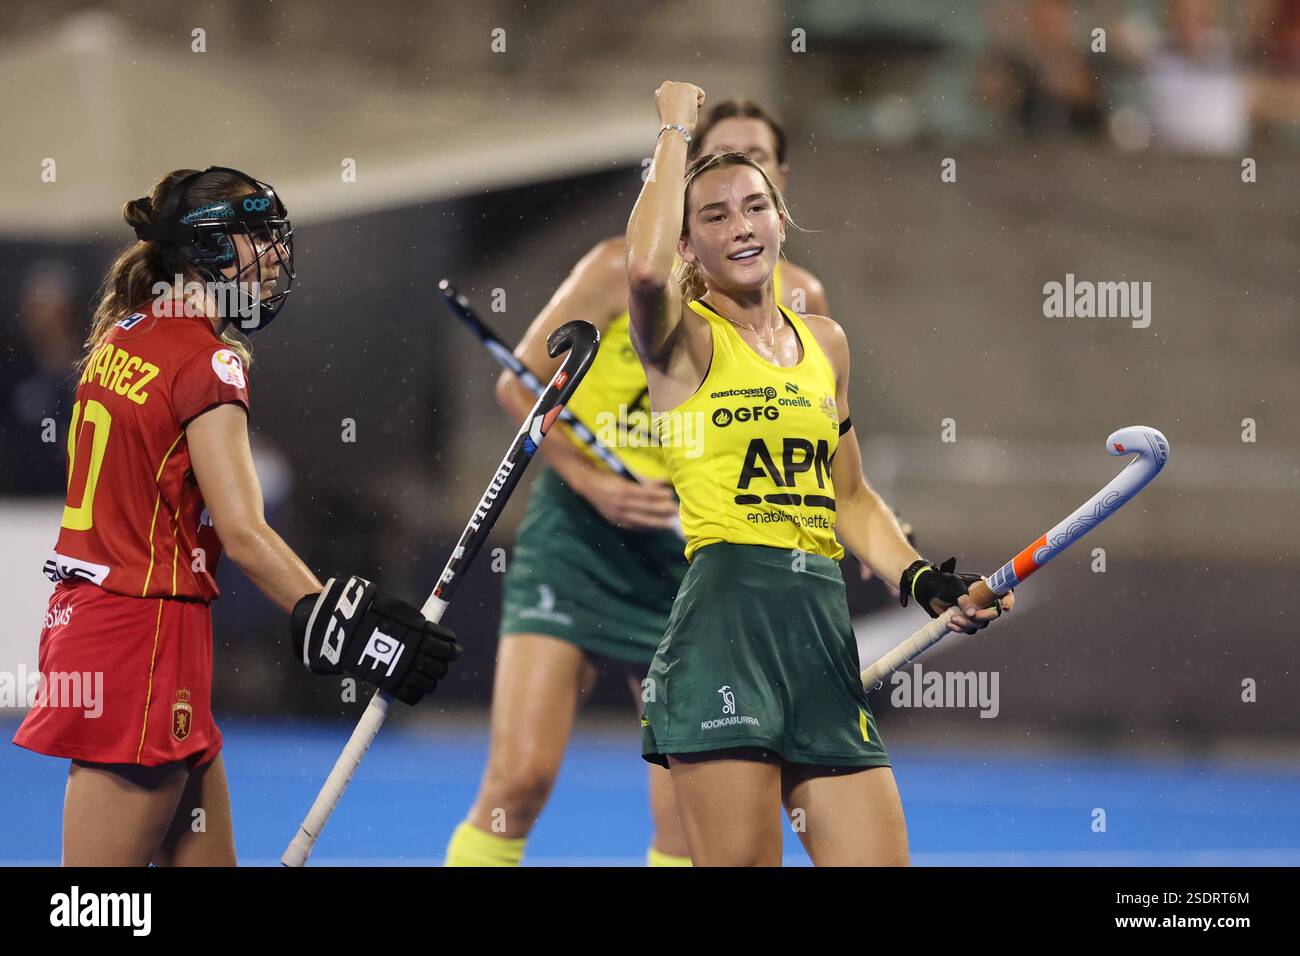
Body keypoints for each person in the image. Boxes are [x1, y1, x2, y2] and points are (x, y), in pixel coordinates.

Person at [13, 166, 460, 866]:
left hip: (119, 628)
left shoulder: (124, 334)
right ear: (210, 249)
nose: (276, 259)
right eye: (258, 241)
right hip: (143, 637)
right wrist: (345, 625)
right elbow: (244, 531)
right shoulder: (209, 362)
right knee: (91, 911)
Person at [626, 82, 1015, 866]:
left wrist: (920, 583)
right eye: (714, 215)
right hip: (724, 634)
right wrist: (674, 128)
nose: (741, 227)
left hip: (820, 634)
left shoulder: (826, 343)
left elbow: (848, 494)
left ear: (781, 217)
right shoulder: (684, 341)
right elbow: (639, 269)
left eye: (754, 207)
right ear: (687, 245)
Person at [444, 100, 830, 867]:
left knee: (686, 825)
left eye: (753, 164)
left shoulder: (803, 303)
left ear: (778, 183)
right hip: (576, 544)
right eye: (713, 165)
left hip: (693, 567)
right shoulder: (622, 270)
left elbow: (812, 441)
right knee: (514, 783)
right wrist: (592, 482)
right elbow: (521, 385)